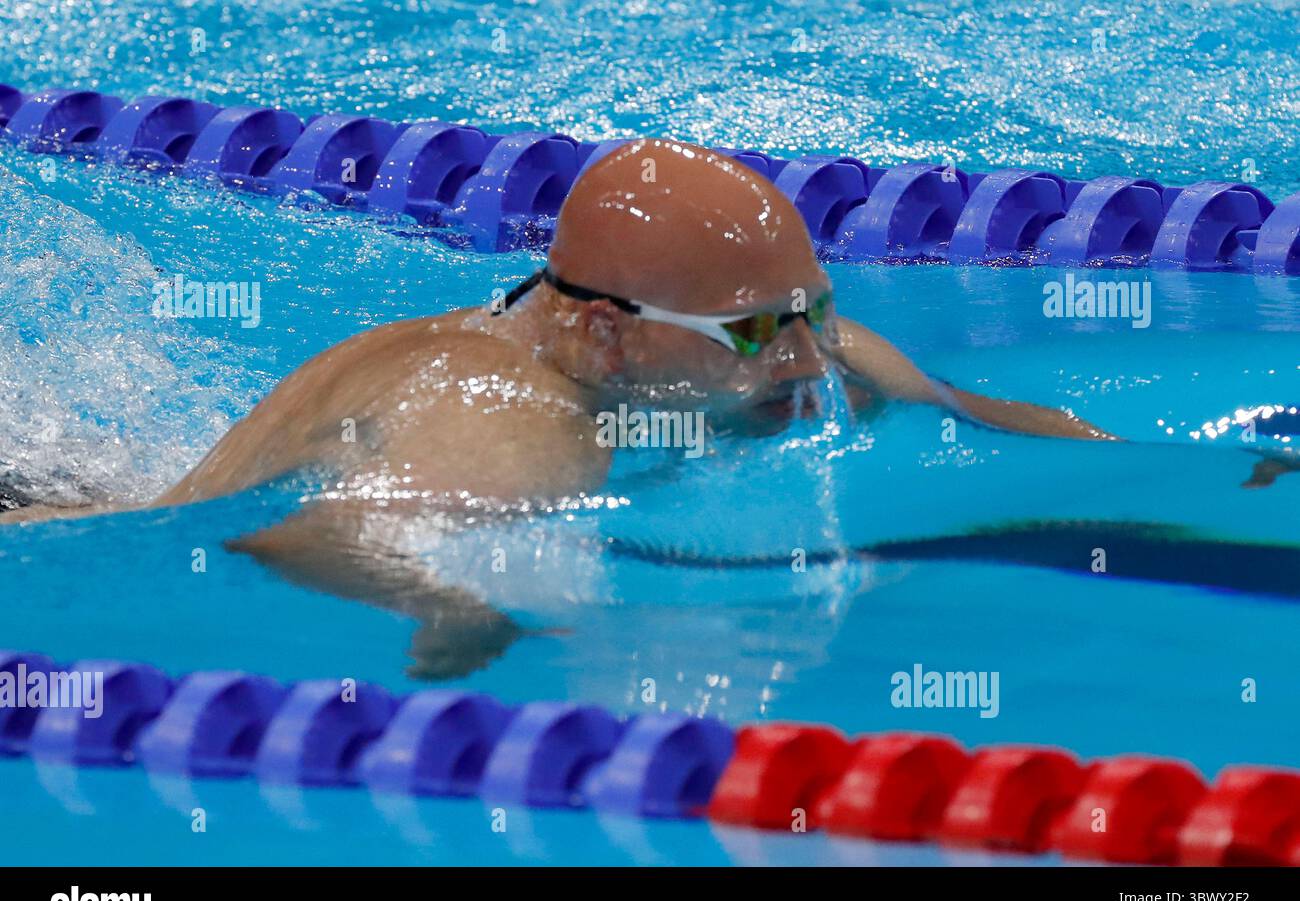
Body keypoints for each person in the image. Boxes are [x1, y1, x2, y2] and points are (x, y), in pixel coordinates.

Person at [3, 138, 1123, 674]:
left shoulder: (774, 338)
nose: (804, 360)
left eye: (815, 315)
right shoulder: (508, 423)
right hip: (70, 540)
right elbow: (307, 538)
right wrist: (476, 605)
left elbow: (983, 416)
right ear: (602, 331)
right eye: (757, 331)